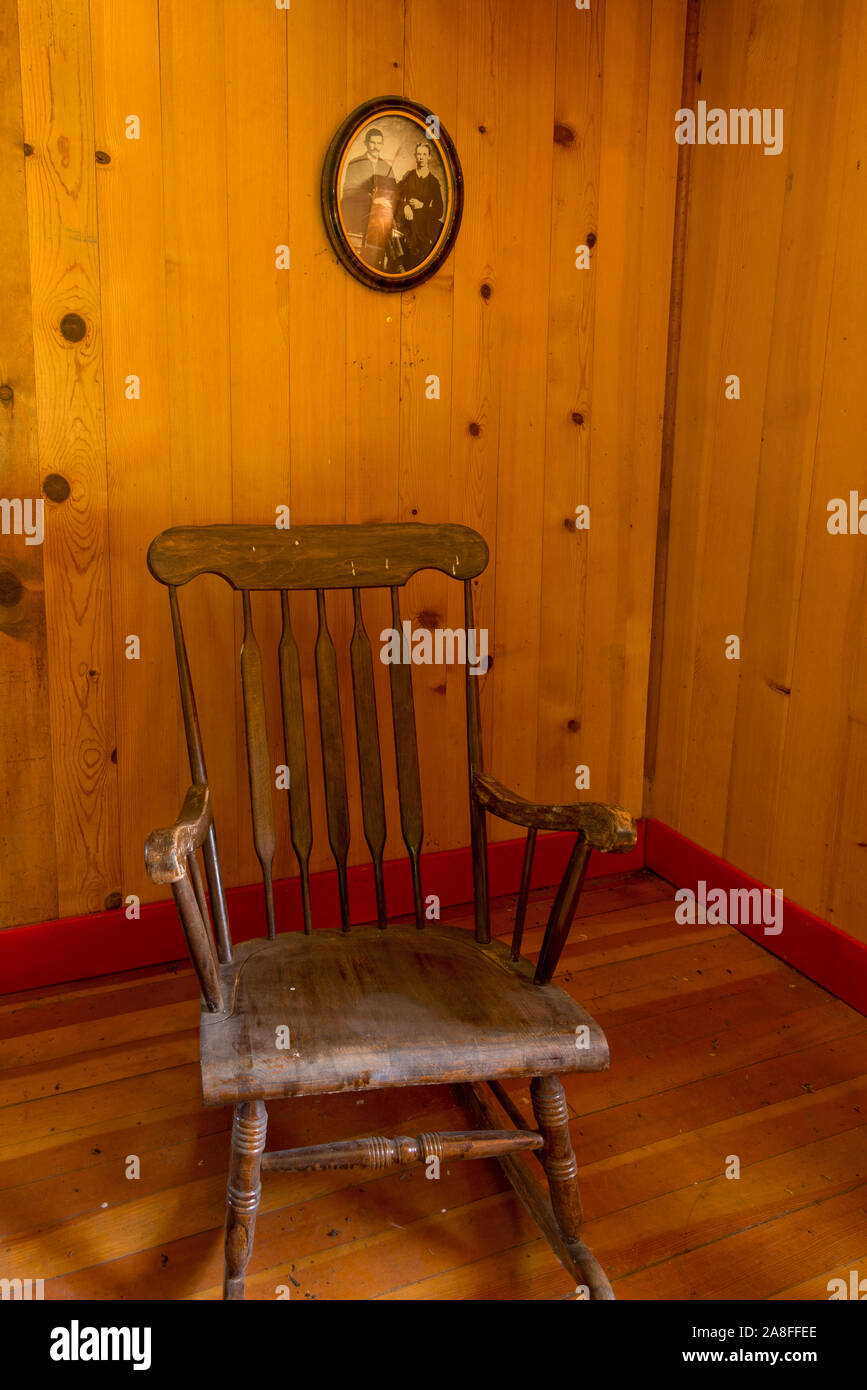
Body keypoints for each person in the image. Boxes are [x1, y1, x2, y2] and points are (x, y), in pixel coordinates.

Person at [340, 128, 398, 271]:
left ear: (382, 144)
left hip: (381, 220)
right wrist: (373, 200)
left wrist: (387, 202)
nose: (375, 146)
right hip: (359, 214)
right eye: (372, 143)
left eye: (379, 143)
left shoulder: (386, 166)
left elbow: (394, 192)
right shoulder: (356, 163)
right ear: (366, 143)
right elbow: (349, 191)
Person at [395, 141, 445, 271]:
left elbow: (439, 210)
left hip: (424, 225)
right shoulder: (409, 176)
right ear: (414, 156)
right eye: (418, 154)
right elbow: (395, 195)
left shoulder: (433, 182)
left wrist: (422, 206)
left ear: (429, 157)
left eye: (424, 154)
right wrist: (405, 205)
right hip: (407, 222)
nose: (421, 157)